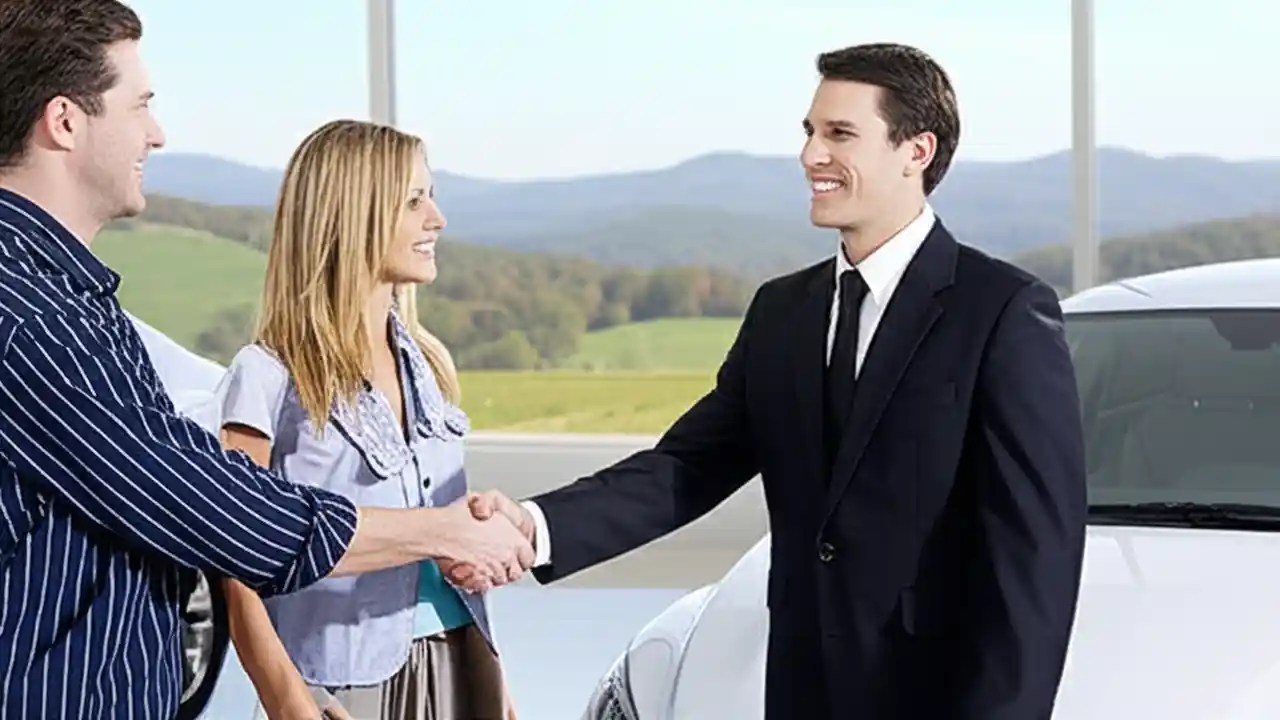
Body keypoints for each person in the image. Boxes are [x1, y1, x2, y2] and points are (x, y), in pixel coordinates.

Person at [465, 42, 1088, 718]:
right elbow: (687, 466)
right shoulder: (782, 312)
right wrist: (534, 525)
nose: (811, 155)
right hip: (800, 691)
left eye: (839, 133)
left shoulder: (1001, 312)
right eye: (810, 131)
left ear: (917, 151)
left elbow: (1034, 561)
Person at [0, 3, 531, 718]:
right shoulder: (32, 319)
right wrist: (441, 532)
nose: (157, 133)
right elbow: (218, 508)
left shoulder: (77, 305)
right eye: (141, 105)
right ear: (64, 121)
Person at [216, 119, 515, 720]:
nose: (437, 219)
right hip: (342, 682)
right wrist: (287, 697)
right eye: (414, 201)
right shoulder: (269, 376)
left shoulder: (427, 364)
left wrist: (495, 688)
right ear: (353, 215)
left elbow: (446, 547)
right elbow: (232, 558)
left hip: (461, 661)